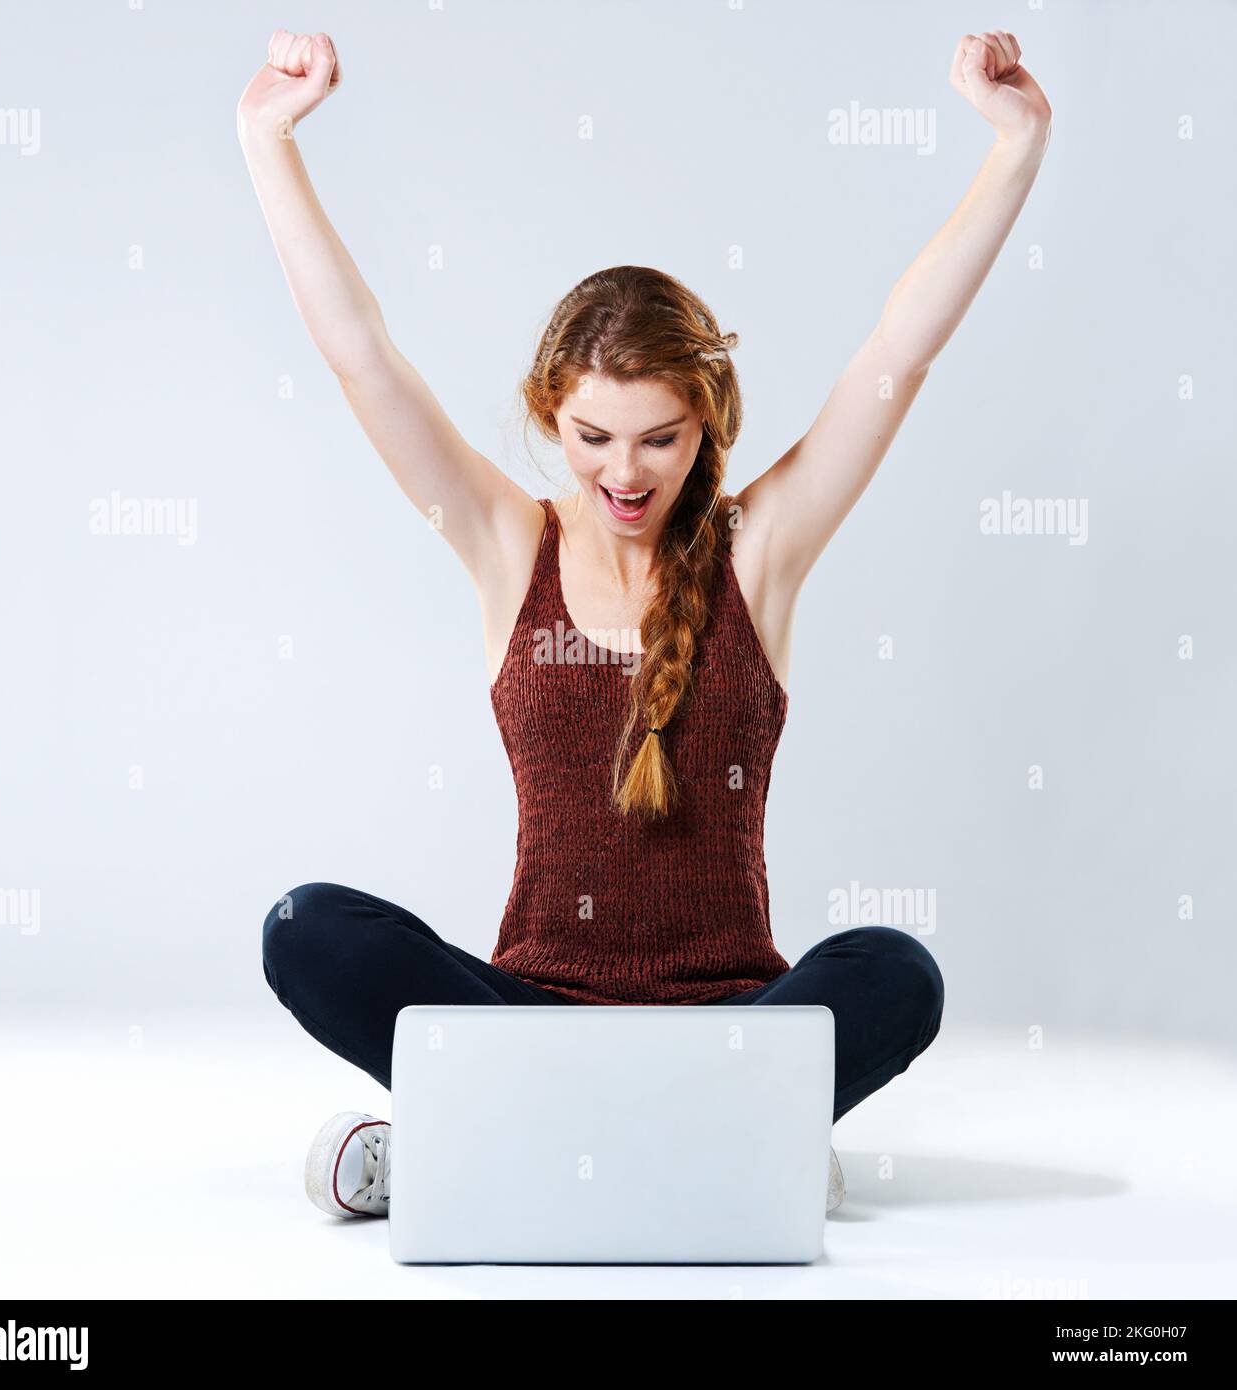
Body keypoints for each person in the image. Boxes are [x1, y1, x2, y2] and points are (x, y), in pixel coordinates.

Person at [238, 26, 1051, 1221]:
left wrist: (1016, 144)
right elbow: (361, 355)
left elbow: (899, 354)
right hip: (526, 1016)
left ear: (705, 420)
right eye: (594, 436)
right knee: (307, 928)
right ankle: (722, 1143)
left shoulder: (757, 550)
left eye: (660, 438)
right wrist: (268, 140)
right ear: (550, 420)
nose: (625, 472)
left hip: (731, 1022)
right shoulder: (507, 542)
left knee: (896, 972)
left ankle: (489, 1142)